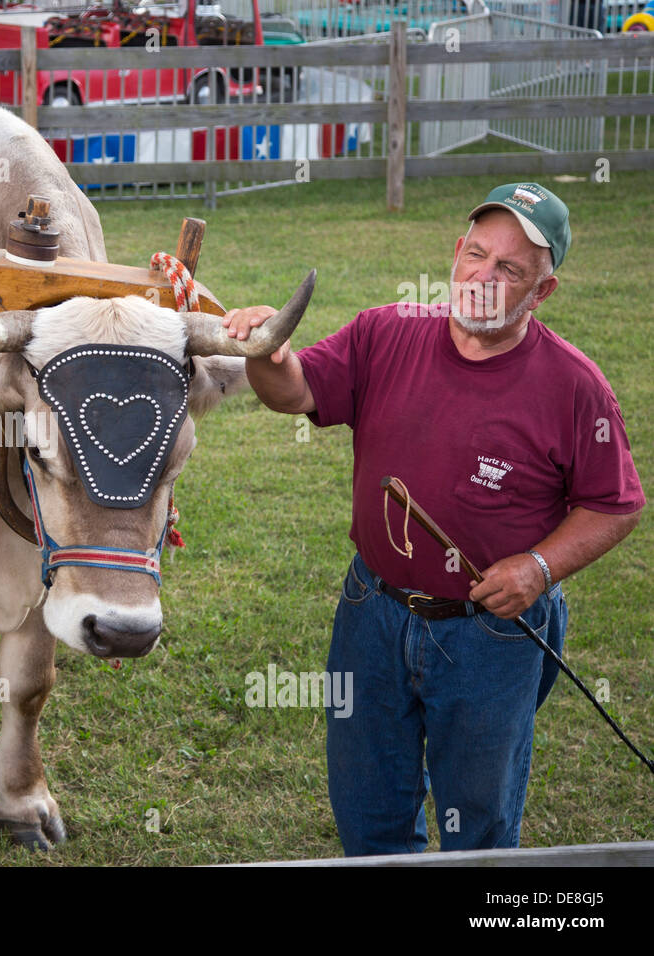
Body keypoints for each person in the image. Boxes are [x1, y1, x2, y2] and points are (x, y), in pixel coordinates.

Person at [225, 183, 644, 855]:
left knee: (478, 821)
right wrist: (268, 355)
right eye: (477, 253)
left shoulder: (573, 386)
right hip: (374, 611)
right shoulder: (385, 332)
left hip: (491, 633)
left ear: (542, 292)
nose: (484, 275)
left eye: (510, 269)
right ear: (455, 253)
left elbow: (616, 503)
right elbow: (296, 390)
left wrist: (538, 568)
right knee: (367, 807)